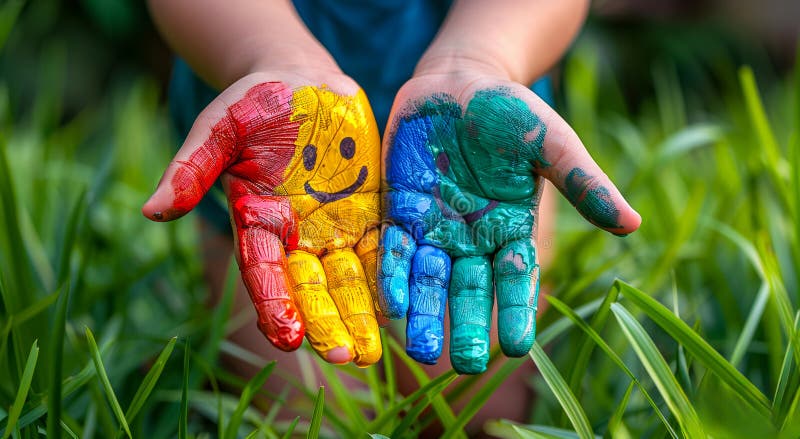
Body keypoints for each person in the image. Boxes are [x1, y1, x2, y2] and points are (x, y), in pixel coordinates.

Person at [142, 0, 641, 430]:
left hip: (468, 140)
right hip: (284, 137)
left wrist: (476, 57)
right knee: (303, 416)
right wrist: (277, 56)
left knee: (479, 408)